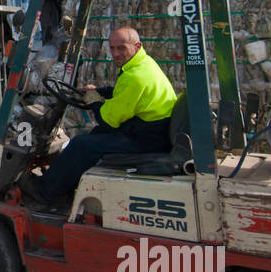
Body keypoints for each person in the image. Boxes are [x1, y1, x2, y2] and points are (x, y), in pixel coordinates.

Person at [23, 26, 178, 205]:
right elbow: (120, 93)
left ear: (137, 46)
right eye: (112, 48)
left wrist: (93, 101)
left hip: (147, 138)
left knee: (81, 144)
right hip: (151, 130)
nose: (115, 54)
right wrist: (98, 91)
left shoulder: (136, 77)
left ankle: (45, 191)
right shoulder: (142, 64)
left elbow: (107, 121)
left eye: (121, 48)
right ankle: (63, 185)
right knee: (95, 136)